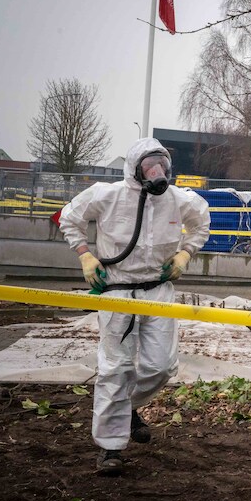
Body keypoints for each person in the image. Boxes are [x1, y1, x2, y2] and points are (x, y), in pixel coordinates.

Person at [59, 137, 210, 475]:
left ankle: (124, 407)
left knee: (161, 366)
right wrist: (85, 255)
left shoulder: (179, 200)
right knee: (115, 367)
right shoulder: (107, 195)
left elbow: (202, 223)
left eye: (162, 165)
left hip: (158, 291)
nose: (157, 173)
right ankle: (110, 448)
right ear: (134, 170)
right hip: (116, 289)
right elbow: (69, 218)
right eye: (149, 166)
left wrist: (185, 254)